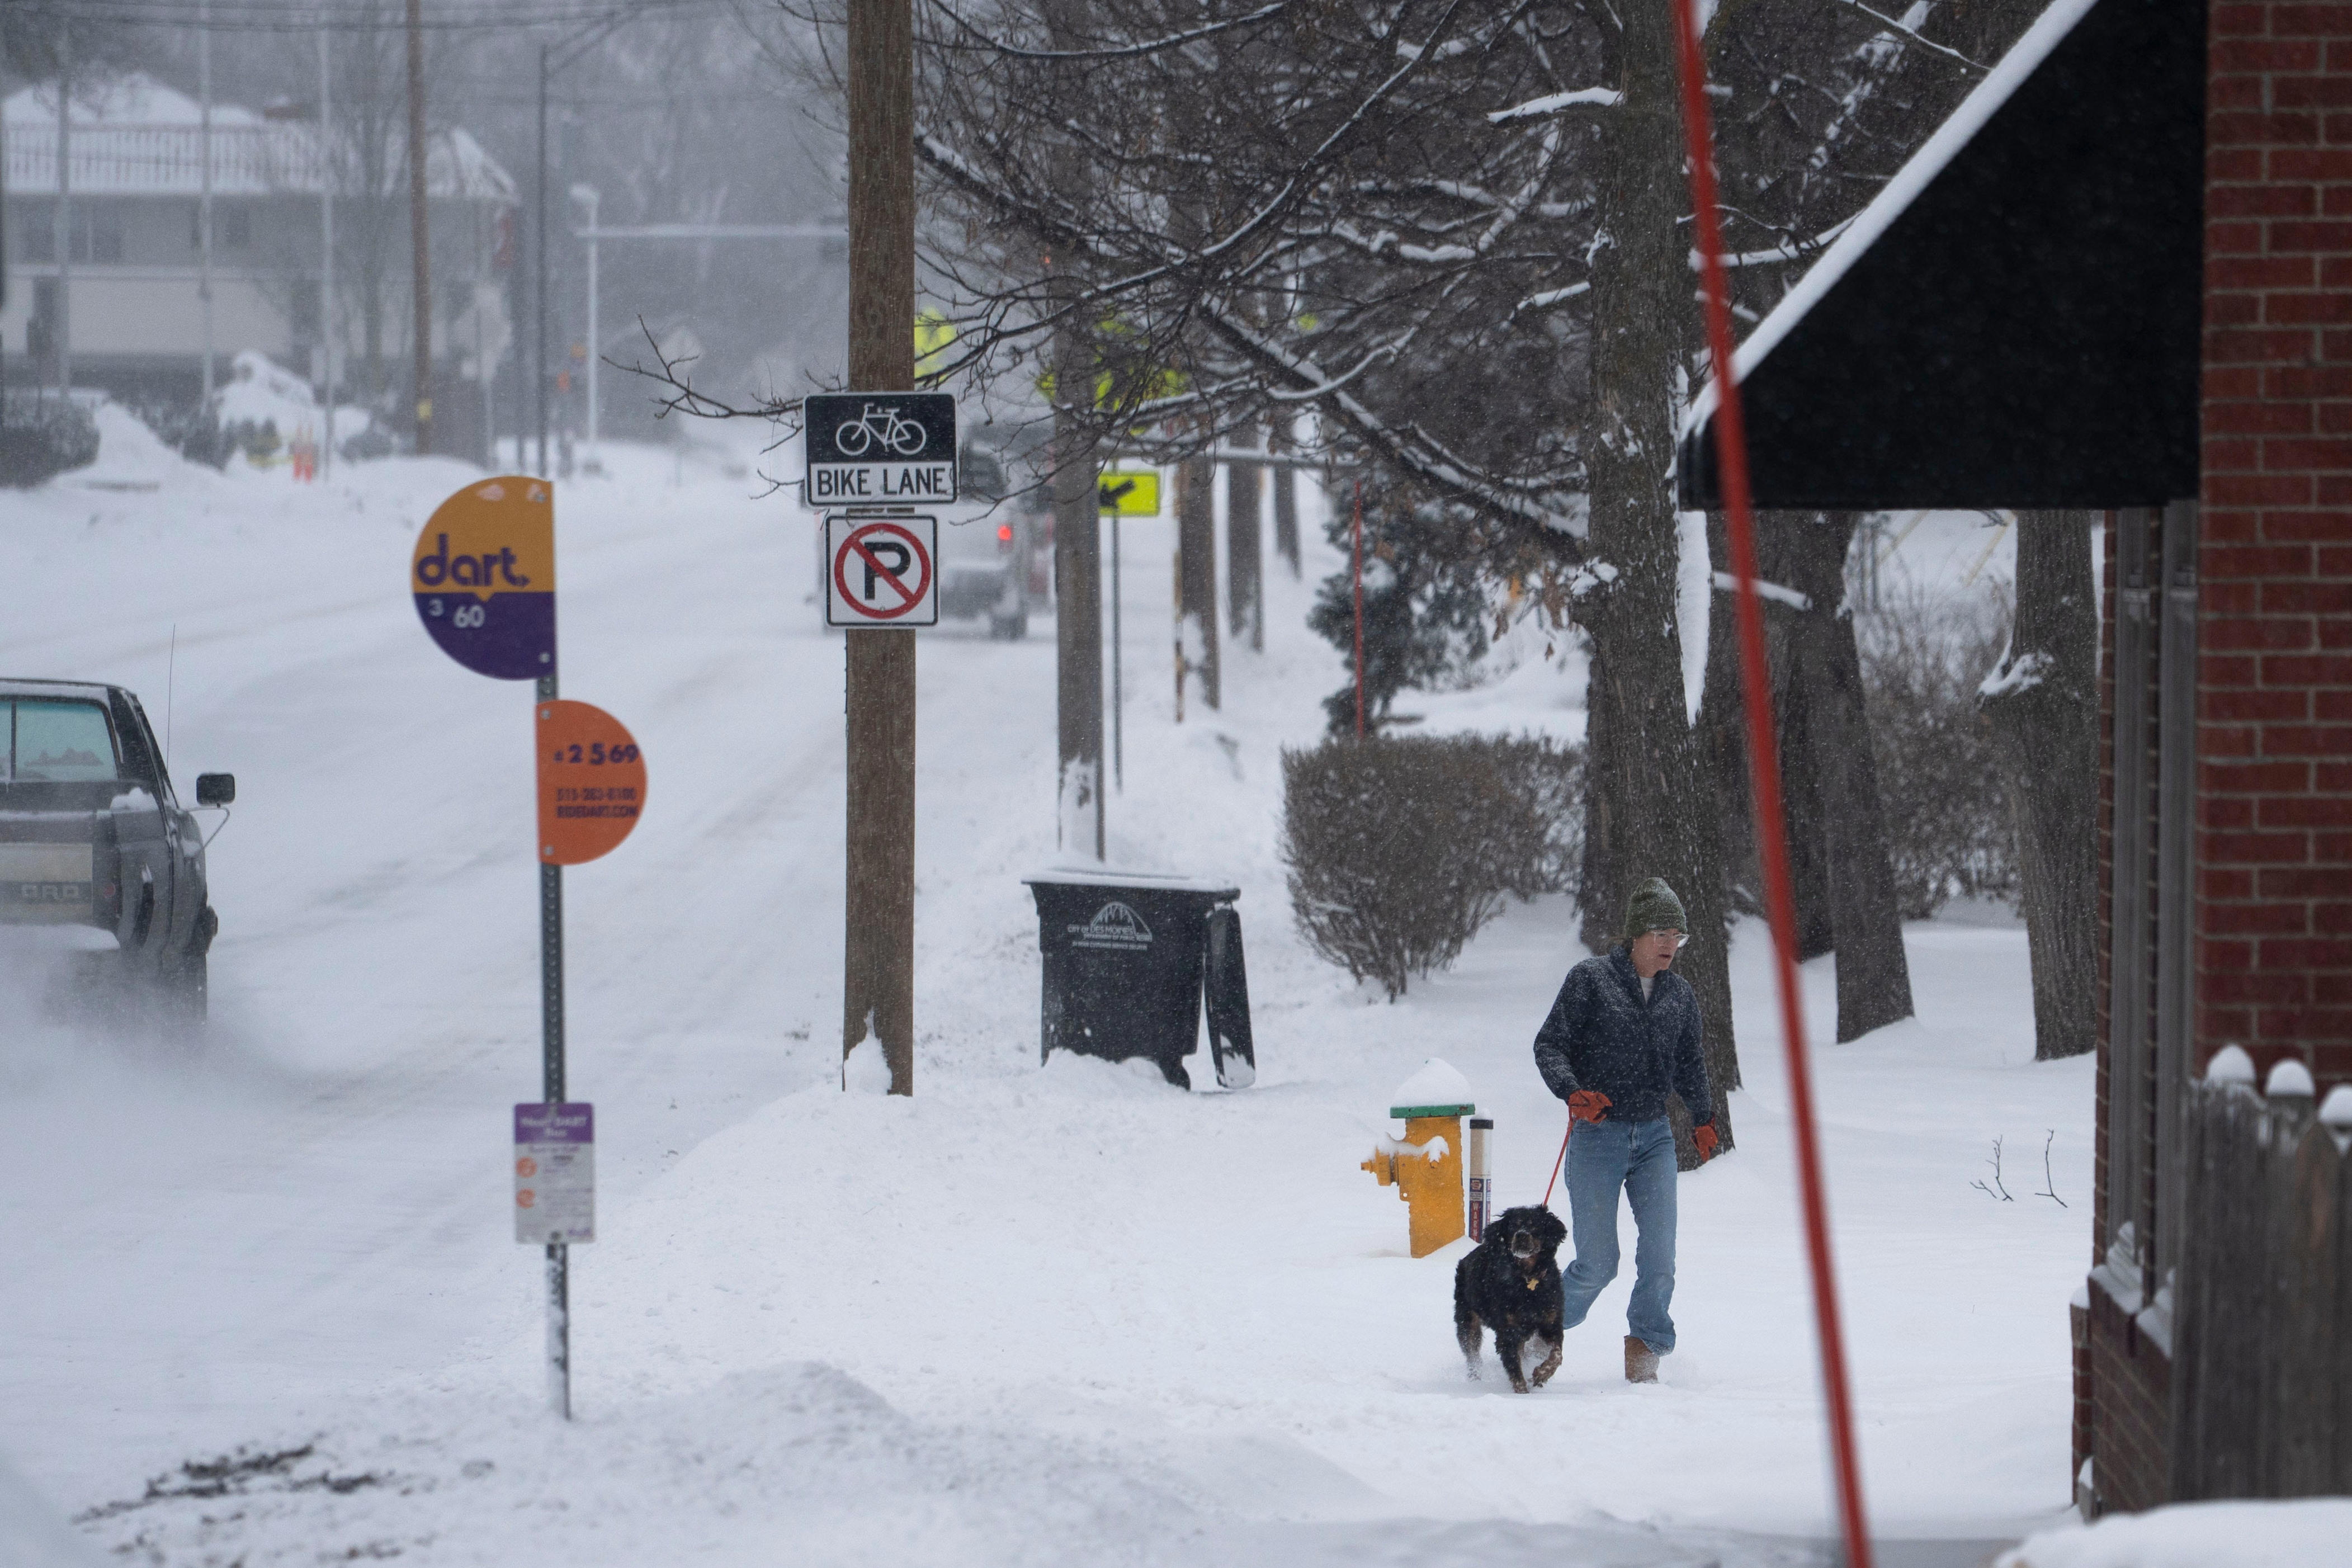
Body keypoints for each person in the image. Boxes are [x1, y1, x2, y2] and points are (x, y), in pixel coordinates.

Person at [1532, 877, 1720, 1383]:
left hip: (1654, 1137)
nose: (1668, 945)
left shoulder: (1679, 996)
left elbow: (1690, 1062)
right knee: (1598, 1262)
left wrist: (1703, 1117)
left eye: (1677, 935)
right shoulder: (1590, 980)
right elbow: (1550, 1045)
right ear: (1635, 934)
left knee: (1660, 1259)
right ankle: (1538, 1330)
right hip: (1598, 1137)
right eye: (1660, 932)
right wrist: (1572, 1091)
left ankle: (1646, 1357)